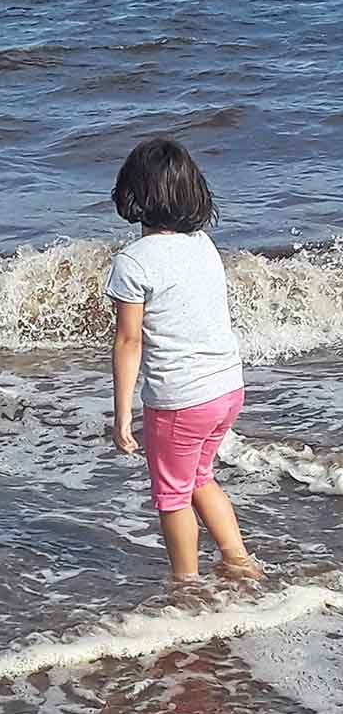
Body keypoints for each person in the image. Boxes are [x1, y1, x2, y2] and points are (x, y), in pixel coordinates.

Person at [106, 138, 262, 581]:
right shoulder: (202, 245)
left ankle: (186, 583)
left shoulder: (133, 261)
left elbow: (128, 342)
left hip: (181, 399)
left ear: (130, 194)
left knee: (172, 496)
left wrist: (121, 416)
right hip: (226, 388)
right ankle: (239, 561)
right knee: (199, 477)